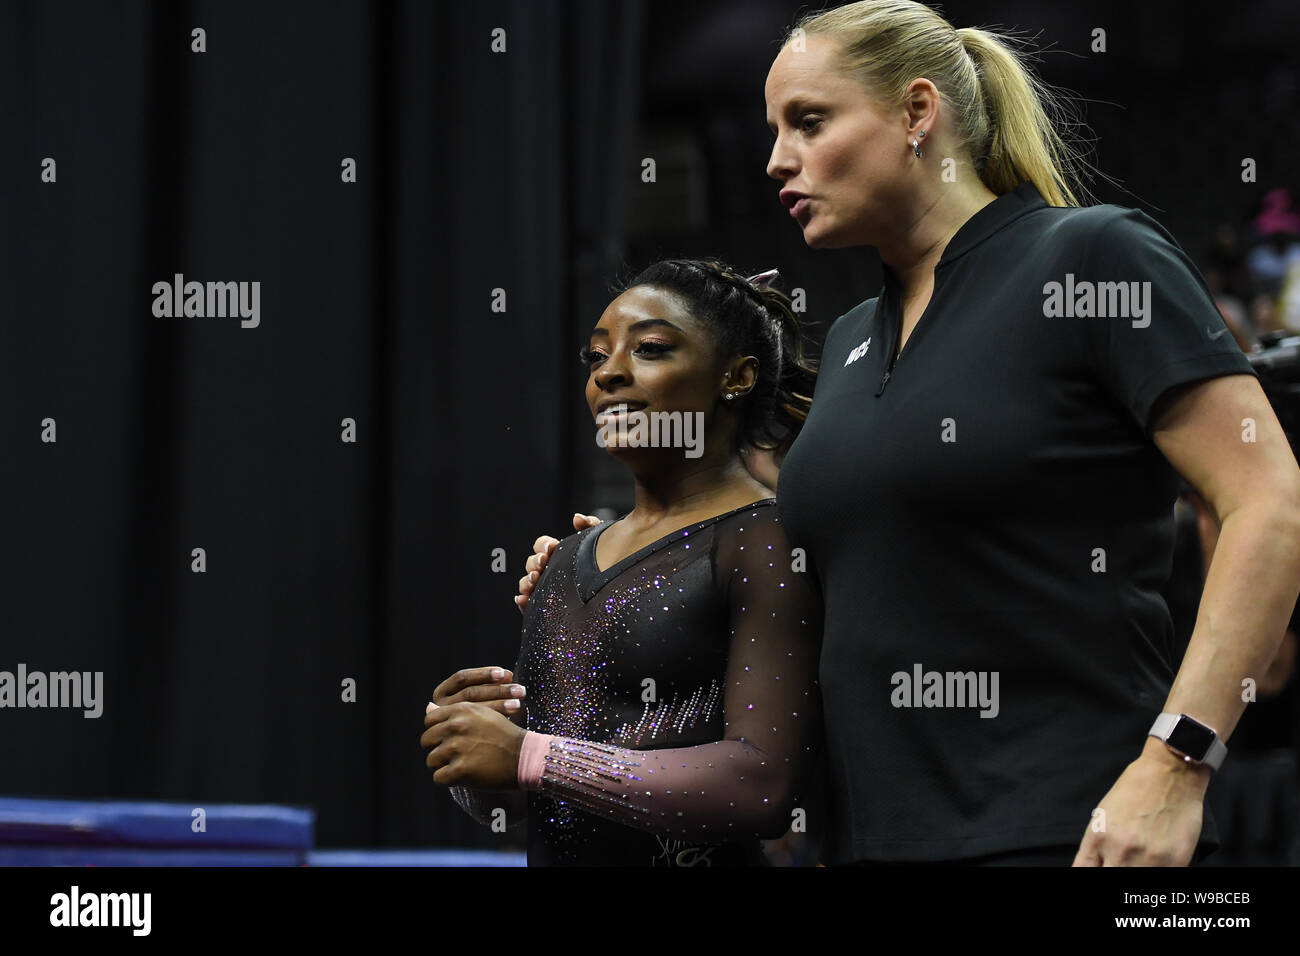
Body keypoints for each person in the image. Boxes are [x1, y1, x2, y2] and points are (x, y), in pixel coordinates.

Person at [518, 0, 1300, 866]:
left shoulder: (1091, 258)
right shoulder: (852, 336)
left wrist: (1177, 763)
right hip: (873, 840)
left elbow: (1268, 506)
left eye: (809, 122)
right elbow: (817, 568)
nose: (779, 159)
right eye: (775, 129)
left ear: (917, 112)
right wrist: (637, 554)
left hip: (1078, 832)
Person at [423, 258, 825, 865]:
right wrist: (476, 755)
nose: (609, 373)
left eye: (652, 348)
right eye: (596, 356)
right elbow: (548, 798)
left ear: (735, 377)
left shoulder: (767, 541)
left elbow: (761, 785)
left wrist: (531, 755)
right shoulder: (564, 559)